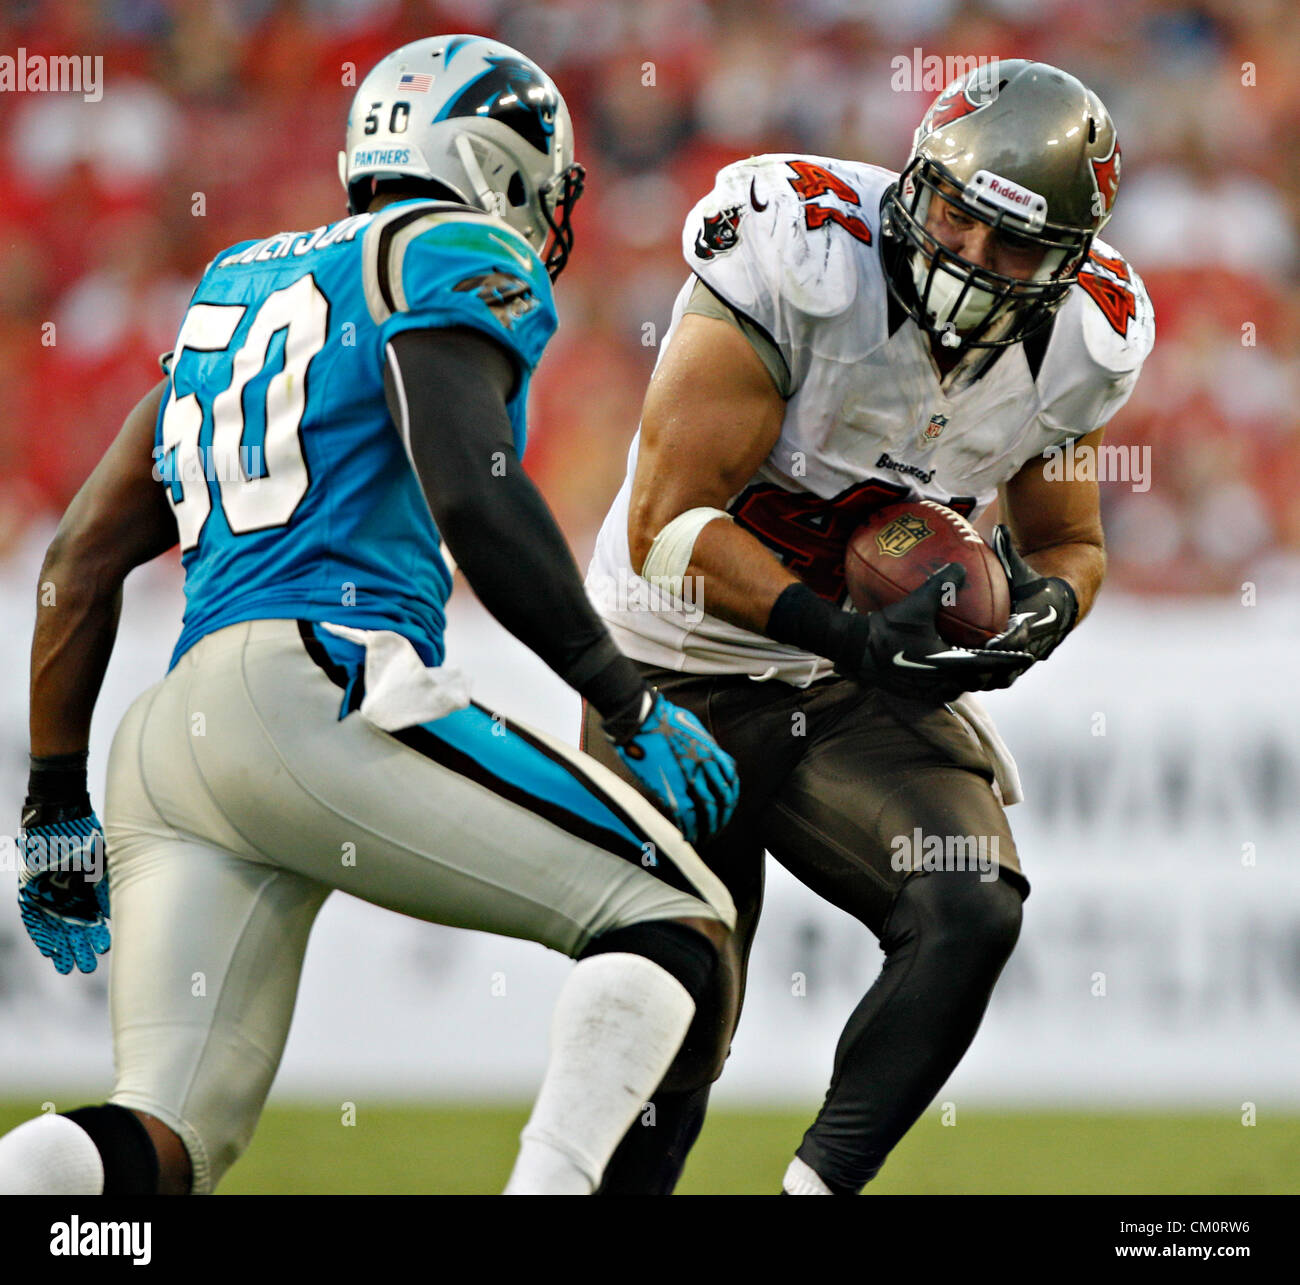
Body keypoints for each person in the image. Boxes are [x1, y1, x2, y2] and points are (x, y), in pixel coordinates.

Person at [0, 33, 740, 1197]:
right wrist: (618, 689)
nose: (547, 210)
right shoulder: (445, 245)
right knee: (676, 921)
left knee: (161, 1139)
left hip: (173, 741)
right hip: (318, 680)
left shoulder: (234, 290)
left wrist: (52, 799)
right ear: (491, 162)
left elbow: (80, 560)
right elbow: (472, 485)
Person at [581, 60, 1154, 1194]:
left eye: (1014, 249)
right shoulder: (794, 250)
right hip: (671, 665)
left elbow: (1068, 547)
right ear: (915, 183)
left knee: (968, 905)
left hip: (844, 684)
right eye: (958, 216)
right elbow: (663, 522)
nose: (972, 260)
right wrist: (846, 637)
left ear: (1068, 265)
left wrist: (1043, 612)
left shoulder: (1086, 340)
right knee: (675, 1014)